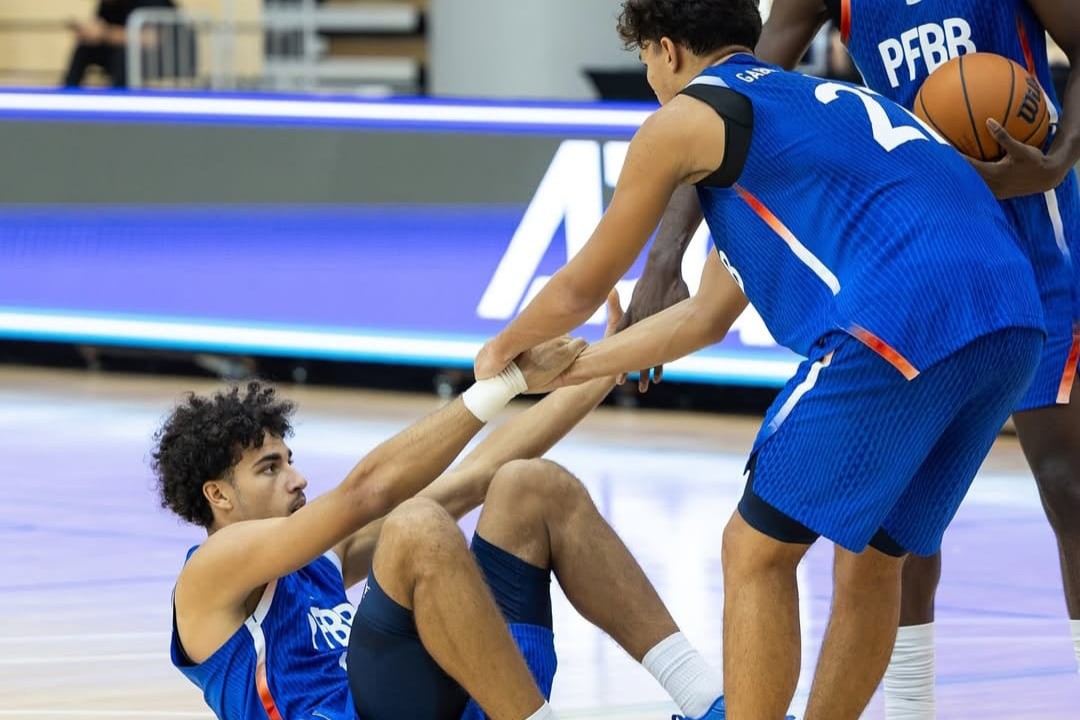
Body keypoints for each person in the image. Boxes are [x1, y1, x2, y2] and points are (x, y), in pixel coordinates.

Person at [473, 1, 1046, 718]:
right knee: (873, 561)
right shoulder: (807, 110)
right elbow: (705, 317)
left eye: (646, 59)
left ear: (668, 50)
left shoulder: (686, 117)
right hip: (1012, 316)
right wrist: (578, 367)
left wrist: (501, 350)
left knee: (754, 551)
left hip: (900, 312)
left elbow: (581, 285)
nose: (650, 76)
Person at [621, 2, 1080, 716]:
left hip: (1034, 244)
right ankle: (909, 709)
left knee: (1065, 477)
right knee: (891, 526)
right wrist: (664, 256)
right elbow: (729, 93)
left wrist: (1056, 161)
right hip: (915, 236)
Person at [159, 298, 727, 720]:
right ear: (218, 495)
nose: (298, 477)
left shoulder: (317, 559)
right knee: (414, 524)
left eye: (289, 459)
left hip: (450, 700)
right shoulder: (209, 575)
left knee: (529, 485)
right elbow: (366, 490)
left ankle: (706, 699)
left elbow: (473, 478)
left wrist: (607, 366)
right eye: (270, 468)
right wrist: (505, 383)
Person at [63, 0, 176, 89]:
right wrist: (89, 34)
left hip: (164, 60)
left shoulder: (151, 2)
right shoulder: (108, 4)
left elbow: (152, 39)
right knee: (85, 47)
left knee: (125, 54)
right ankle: (67, 95)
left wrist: (106, 33)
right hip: (121, 58)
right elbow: (101, 30)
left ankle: (118, 100)